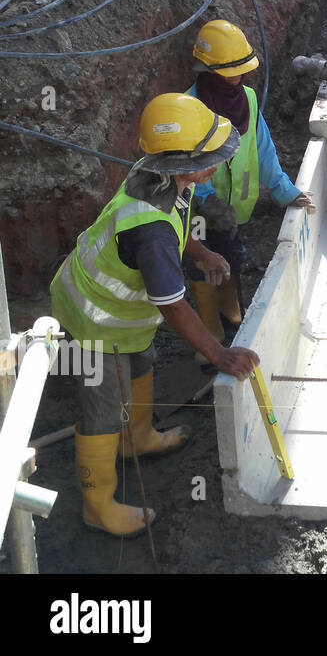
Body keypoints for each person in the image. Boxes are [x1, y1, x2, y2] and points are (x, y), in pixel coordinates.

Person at [49, 93, 260, 537]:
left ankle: (137, 437)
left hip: (123, 320)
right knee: (104, 408)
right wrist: (219, 354)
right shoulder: (149, 230)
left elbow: (176, 229)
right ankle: (98, 504)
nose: (216, 166)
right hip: (94, 322)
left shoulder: (159, 175)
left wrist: (199, 251)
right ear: (182, 164)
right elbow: (174, 305)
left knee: (142, 363)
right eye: (209, 159)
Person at [185, 19, 314, 356]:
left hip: (235, 211)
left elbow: (264, 150)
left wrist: (286, 191)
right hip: (195, 213)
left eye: (241, 70)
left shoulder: (249, 101)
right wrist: (206, 199)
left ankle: (232, 319)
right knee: (202, 266)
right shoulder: (188, 110)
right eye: (230, 71)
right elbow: (180, 164)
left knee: (231, 260)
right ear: (208, 70)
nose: (238, 77)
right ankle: (209, 338)